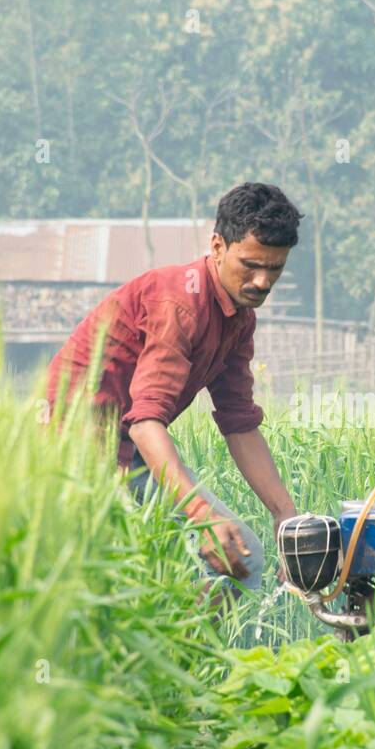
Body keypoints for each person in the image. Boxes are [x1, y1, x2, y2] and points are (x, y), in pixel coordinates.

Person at [45, 182, 302, 601]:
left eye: (275, 269)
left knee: (244, 559)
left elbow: (238, 421)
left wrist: (285, 516)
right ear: (217, 246)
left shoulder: (238, 316)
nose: (262, 281)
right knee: (142, 578)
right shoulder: (180, 303)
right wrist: (201, 516)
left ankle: (204, 663)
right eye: (251, 265)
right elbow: (147, 422)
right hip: (75, 449)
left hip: (129, 449)